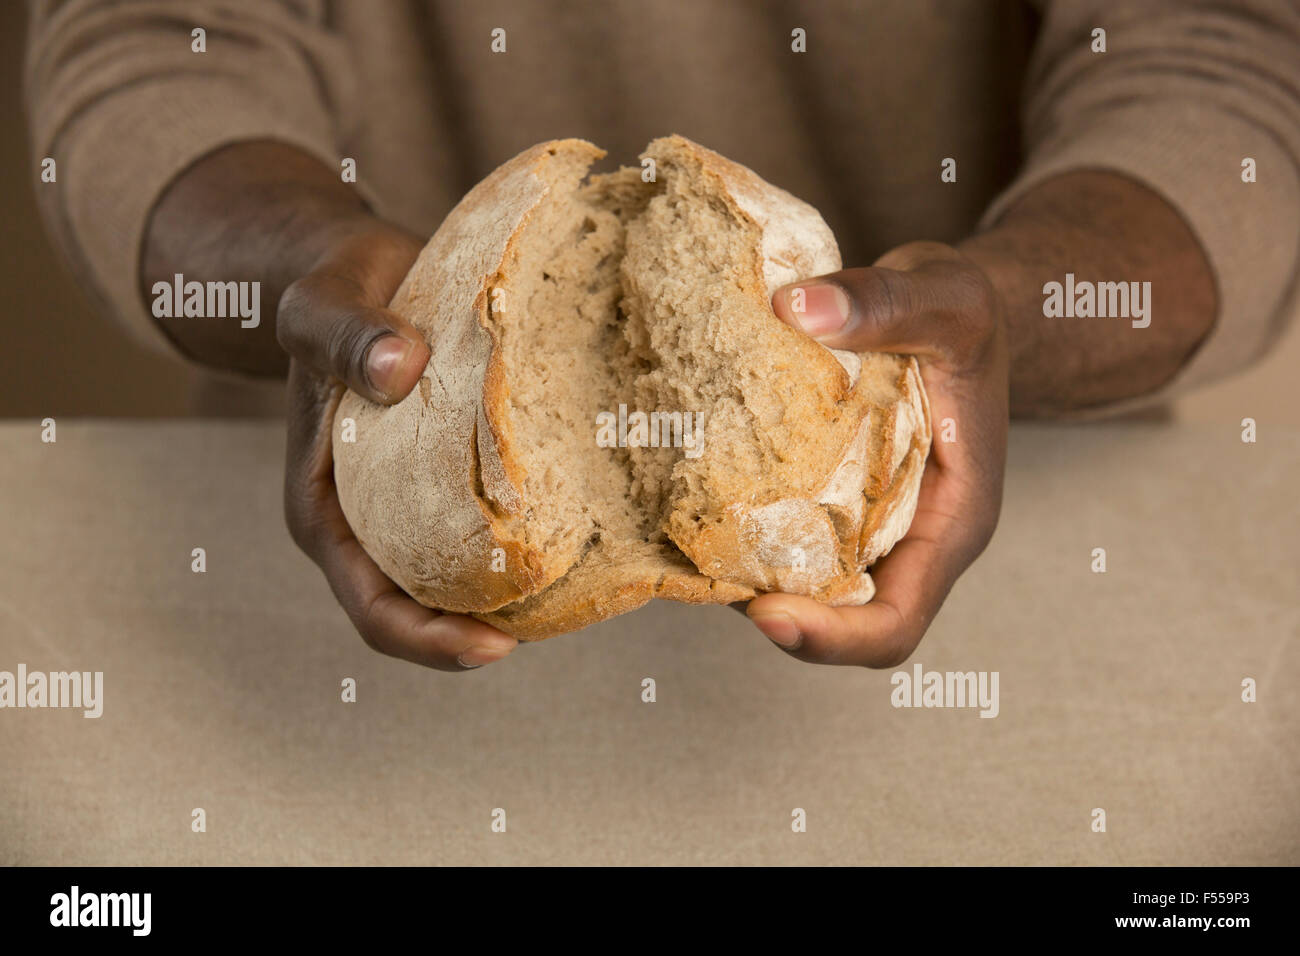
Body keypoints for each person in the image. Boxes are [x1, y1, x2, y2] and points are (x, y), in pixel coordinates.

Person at [25, 1, 1300, 671]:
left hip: (1048, 590)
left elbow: (1221, 63)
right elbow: (153, 42)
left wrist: (1005, 309)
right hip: (327, 601)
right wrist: (304, 264)